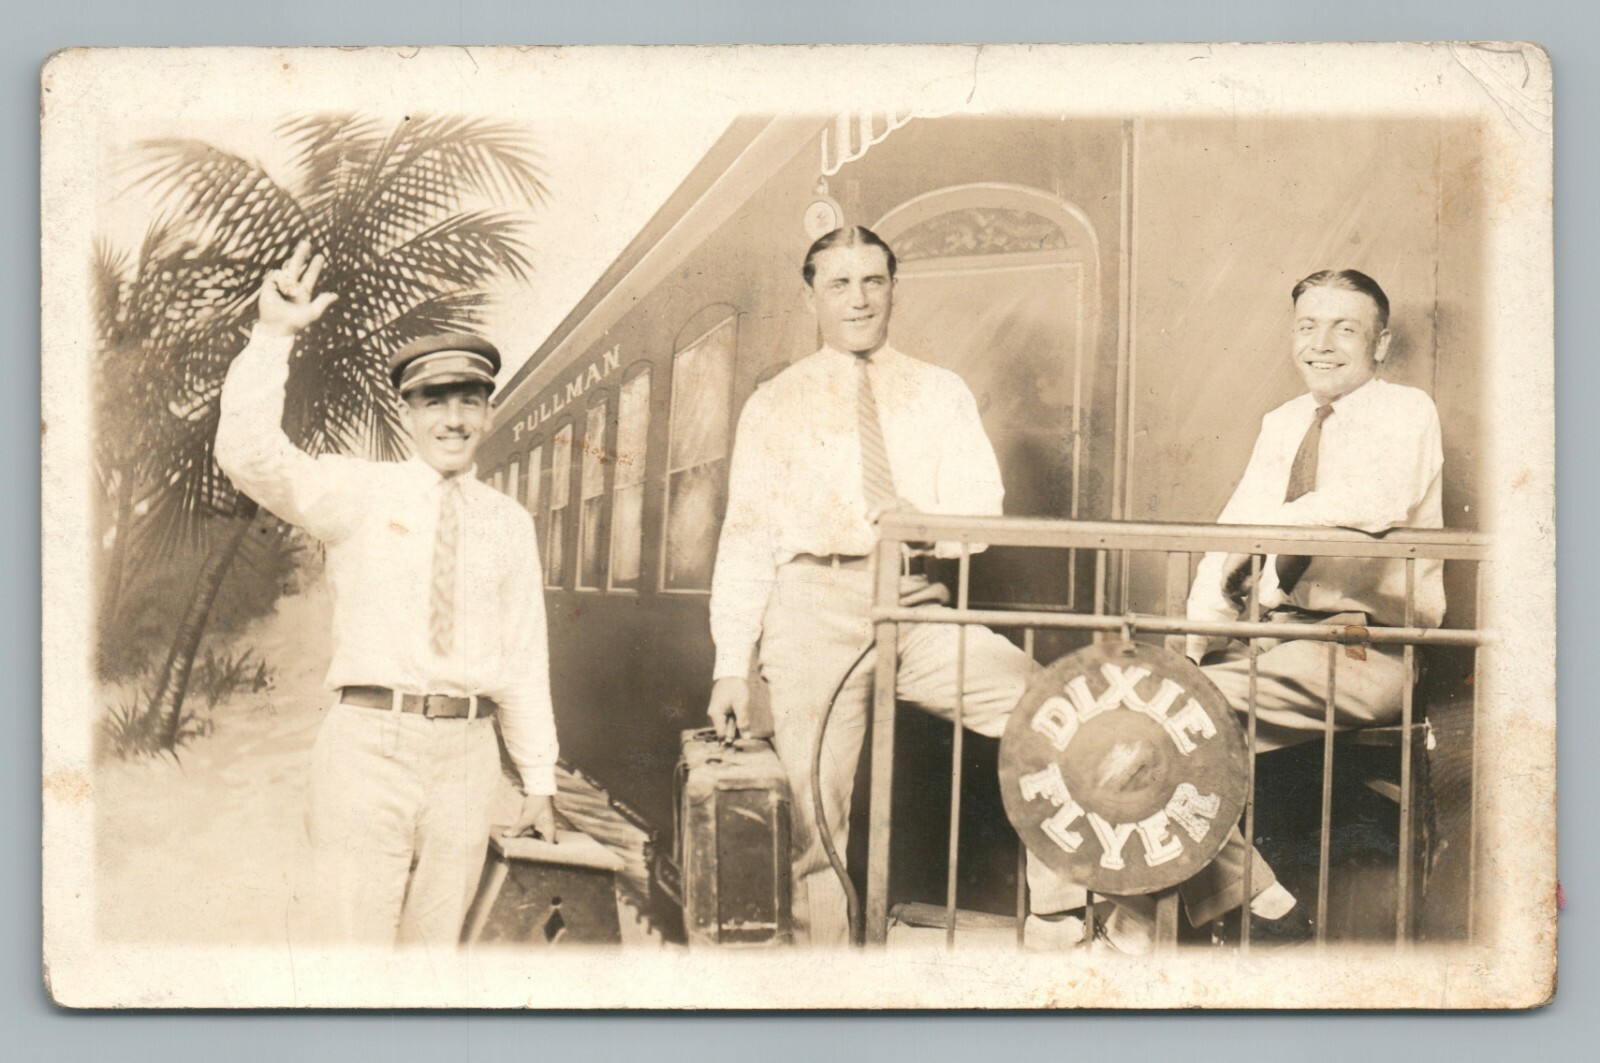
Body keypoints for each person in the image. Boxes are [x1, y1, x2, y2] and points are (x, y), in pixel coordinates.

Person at [705, 226, 1083, 947]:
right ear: (812, 295)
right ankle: (827, 991)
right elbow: (746, 538)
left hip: (910, 602)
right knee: (814, 816)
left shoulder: (939, 390)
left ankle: (1060, 918)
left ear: (893, 289)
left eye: (873, 281)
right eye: (840, 284)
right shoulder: (775, 402)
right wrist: (730, 665)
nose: (858, 299)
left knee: (1053, 713)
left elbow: (979, 515)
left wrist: (927, 532)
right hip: (812, 604)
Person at [215, 242, 558, 950]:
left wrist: (539, 777)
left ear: (489, 412)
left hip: (467, 754)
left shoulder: (509, 523)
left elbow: (524, 657)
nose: (453, 419)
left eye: (470, 400)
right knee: (352, 955)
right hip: (367, 749)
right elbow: (249, 456)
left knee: (435, 963)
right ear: (408, 411)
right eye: (435, 401)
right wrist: (272, 336)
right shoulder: (360, 491)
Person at [1102, 268, 1445, 952]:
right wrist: (1197, 645)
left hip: (1363, 644)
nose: (1322, 343)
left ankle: (1142, 922)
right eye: (1307, 326)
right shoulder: (1283, 423)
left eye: (1345, 328)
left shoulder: (1407, 410)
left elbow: (1370, 501)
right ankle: (1254, 890)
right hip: (1274, 636)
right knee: (1135, 704)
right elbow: (1229, 536)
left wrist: (1272, 533)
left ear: (1381, 343)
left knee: (1178, 716)